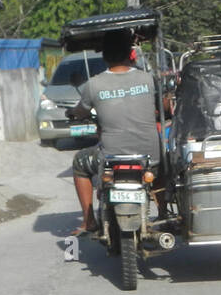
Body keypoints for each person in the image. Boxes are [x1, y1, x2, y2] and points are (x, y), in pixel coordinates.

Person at [66, 30, 163, 234]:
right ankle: (163, 212)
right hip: (150, 156)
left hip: (111, 158)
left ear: (104, 56)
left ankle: (88, 221)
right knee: (163, 169)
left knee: (79, 163)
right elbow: (162, 106)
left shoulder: (94, 84)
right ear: (129, 53)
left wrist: (72, 113)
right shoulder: (148, 79)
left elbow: (81, 110)